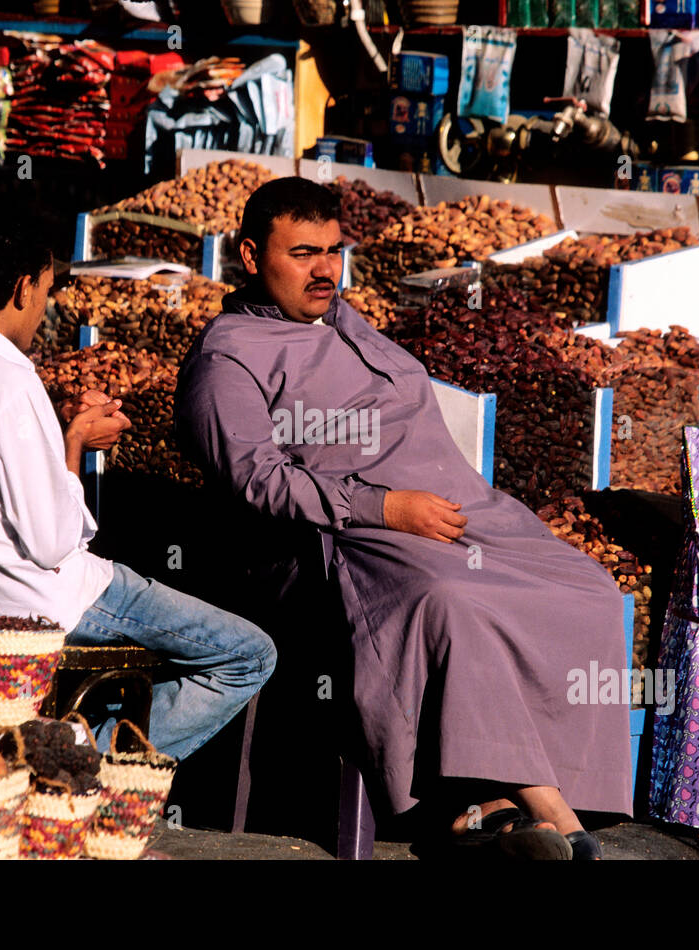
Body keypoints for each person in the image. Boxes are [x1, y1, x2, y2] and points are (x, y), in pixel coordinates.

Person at [176, 177, 631, 859]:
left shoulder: (340, 317)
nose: (324, 269)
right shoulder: (228, 356)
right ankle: (552, 808)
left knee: (588, 592)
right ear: (249, 254)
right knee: (449, 601)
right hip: (334, 541)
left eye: (333, 251)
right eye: (302, 253)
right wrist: (383, 507)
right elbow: (256, 479)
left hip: (448, 510)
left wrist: (423, 502)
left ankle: (485, 806)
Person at [0, 207, 275, 761]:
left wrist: (53, 426)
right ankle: (77, 762)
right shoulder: (5, 382)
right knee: (248, 656)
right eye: (46, 290)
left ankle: (66, 739)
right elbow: (52, 542)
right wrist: (71, 442)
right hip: (50, 597)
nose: (45, 308)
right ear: (23, 288)